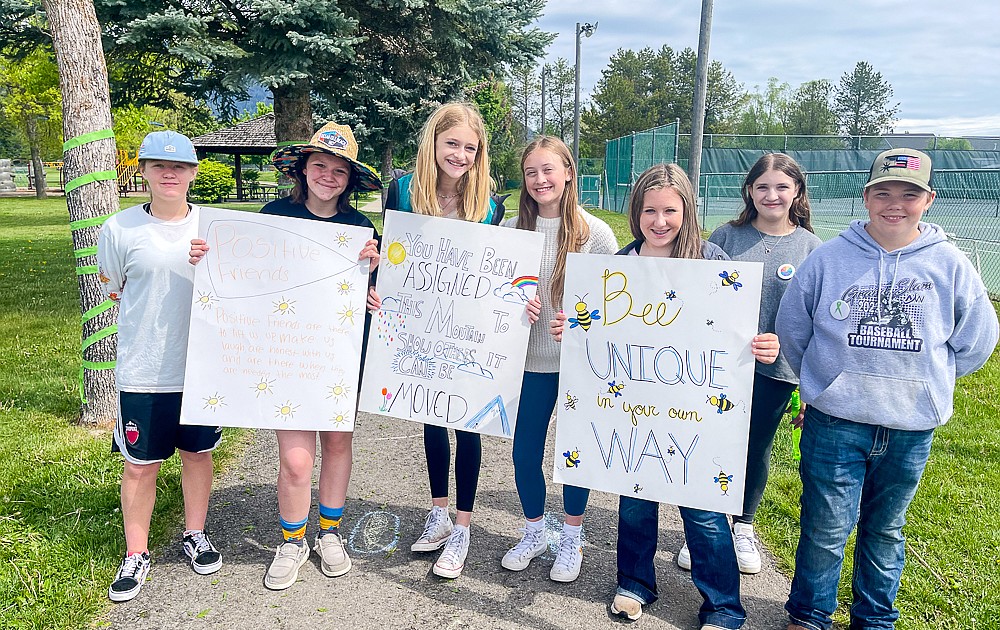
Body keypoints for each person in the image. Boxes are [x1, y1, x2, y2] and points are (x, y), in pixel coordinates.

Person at [777, 148, 998, 630]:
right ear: (867, 196)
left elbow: (977, 340)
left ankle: (874, 619)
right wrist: (826, 382)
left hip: (910, 427)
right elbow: (794, 329)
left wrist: (925, 385)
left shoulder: (951, 265)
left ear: (929, 199)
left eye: (909, 193)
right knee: (825, 527)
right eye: (884, 192)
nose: (895, 203)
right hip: (835, 421)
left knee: (885, 529)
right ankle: (810, 615)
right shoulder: (829, 258)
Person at [555, 163, 777, 628]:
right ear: (636, 213)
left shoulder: (713, 263)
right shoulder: (619, 267)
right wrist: (570, 327)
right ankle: (634, 583)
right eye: (649, 211)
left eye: (670, 211)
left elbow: (737, 331)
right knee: (635, 500)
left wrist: (762, 344)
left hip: (697, 417)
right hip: (636, 414)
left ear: (687, 212)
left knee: (705, 513)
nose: (659, 221)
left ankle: (723, 607)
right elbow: (591, 325)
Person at [190, 122, 381, 590]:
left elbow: (372, 294)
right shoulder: (272, 216)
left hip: (337, 356)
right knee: (296, 460)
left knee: (337, 444)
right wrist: (204, 258)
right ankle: (292, 540)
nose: (329, 176)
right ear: (302, 168)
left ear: (350, 180)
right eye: (320, 165)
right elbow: (243, 277)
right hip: (285, 357)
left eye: (339, 171)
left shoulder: (361, 229)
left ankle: (330, 533)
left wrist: (374, 283)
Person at [666, 154, 821, 575]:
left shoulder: (811, 249)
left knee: (755, 448)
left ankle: (743, 526)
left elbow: (815, 322)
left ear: (797, 193)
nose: (772, 195)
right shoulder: (726, 238)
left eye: (782, 187)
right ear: (749, 191)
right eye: (762, 186)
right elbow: (694, 297)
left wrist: (803, 375)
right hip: (714, 369)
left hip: (775, 371)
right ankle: (703, 526)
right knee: (711, 443)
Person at [379, 101, 504, 578]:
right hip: (420, 328)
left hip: (468, 331)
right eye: (452, 143)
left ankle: (464, 526)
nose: (460, 155)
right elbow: (393, 254)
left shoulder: (488, 204)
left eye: (470, 148)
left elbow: (499, 271)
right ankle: (438, 513)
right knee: (432, 417)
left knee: (468, 425)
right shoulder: (403, 190)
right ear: (433, 142)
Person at [98, 130, 224, 602]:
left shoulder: (214, 227)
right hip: (145, 368)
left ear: (193, 172)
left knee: (198, 455)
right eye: (158, 165)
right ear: (144, 171)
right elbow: (114, 286)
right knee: (140, 467)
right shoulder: (120, 229)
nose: (169, 173)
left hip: (202, 370)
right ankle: (136, 553)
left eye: (180, 166)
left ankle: (194, 533)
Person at [499, 136, 618, 582]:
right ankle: (534, 531)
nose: (539, 180)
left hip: (578, 368)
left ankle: (572, 536)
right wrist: (513, 306)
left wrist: (584, 321)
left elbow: (617, 304)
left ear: (569, 172)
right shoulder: (512, 231)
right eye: (531, 172)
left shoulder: (596, 234)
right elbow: (495, 294)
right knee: (524, 454)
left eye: (548, 170)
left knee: (575, 454)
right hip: (529, 365)